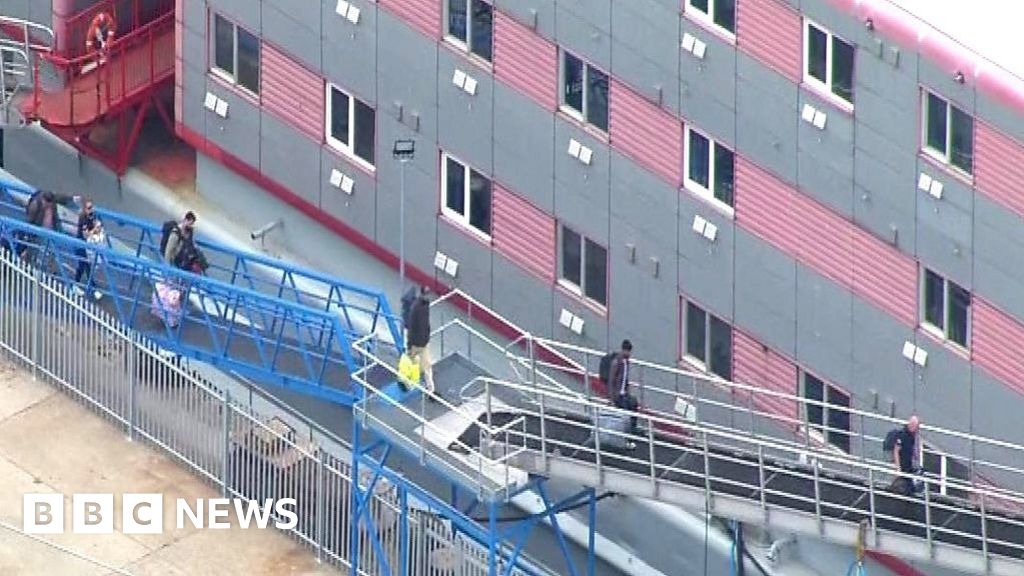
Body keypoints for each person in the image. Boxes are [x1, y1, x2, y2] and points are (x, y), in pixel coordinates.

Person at [19, 190, 80, 260]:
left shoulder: (51, 199)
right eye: (48, 204)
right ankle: (29, 262)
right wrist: (28, 240)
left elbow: (61, 198)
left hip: (51, 232)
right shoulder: (35, 204)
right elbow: (29, 222)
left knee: (51, 253)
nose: (50, 205)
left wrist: (73, 198)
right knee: (33, 252)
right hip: (38, 233)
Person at [405, 286, 435, 395]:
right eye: (426, 294)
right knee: (411, 364)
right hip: (415, 342)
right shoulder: (416, 308)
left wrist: (427, 336)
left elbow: (426, 323)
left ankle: (431, 389)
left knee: (427, 365)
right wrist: (409, 344)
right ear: (422, 294)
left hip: (424, 342)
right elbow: (412, 327)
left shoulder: (425, 306)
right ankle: (408, 384)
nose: (428, 296)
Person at [73, 198, 104, 300]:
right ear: (85, 209)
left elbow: (99, 227)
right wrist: (95, 229)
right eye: (89, 208)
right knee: (85, 266)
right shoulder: (83, 217)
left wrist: (97, 228)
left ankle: (76, 285)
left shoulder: (93, 216)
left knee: (83, 266)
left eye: (92, 207)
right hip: (81, 244)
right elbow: (85, 235)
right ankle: (93, 289)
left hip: (88, 245)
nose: (91, 210)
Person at [608, 340, 639, 435]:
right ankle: (626, 432)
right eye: (628, 351)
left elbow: (625, 378)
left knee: (634, 403)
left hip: (624, 393)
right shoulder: (616, 362)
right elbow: (611, 380)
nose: (630, 354)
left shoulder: (626, 362)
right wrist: (612, 399)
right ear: (624, 350)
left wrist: (627, 390)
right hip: (618, 395)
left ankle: (633, 428)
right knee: (625, 410)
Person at [892, 415, 921, 496]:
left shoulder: (913, 435)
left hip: (909, 465)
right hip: (903, 465)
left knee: (909, 486)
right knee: (902, 485)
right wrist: (898, 468)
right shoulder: (902, 434)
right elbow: (896, 451)